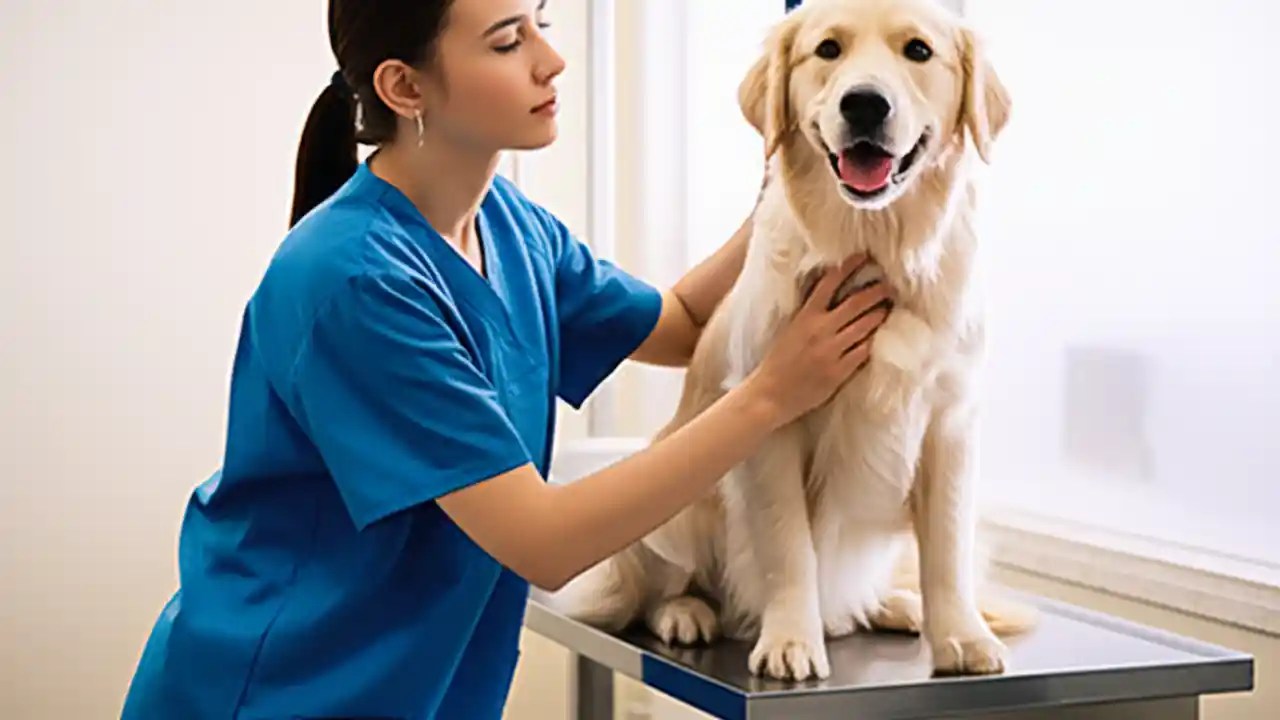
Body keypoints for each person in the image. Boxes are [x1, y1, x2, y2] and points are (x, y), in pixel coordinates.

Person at [120, 0, 892, 718]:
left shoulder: (510, 228)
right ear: (405, 86)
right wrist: (770, 396)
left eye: (541, 22)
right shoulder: (353, 279)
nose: (550, 60)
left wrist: (791, 187)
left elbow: (686, 322)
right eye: (507, 40)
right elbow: (544, 542)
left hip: (416, 686)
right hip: (283, 691)